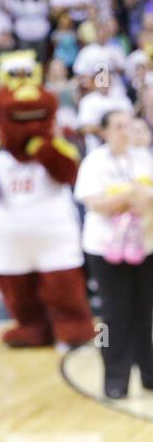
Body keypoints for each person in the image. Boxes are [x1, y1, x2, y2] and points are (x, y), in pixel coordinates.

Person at [74, 110, 153, 398]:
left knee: (145, 311)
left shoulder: (143, 158)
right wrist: (130, 196)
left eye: (128, 126)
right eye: (118, 126)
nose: (124, 131)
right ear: (105, 131)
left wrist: (132, 197)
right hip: (105, 248)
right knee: (115, 314)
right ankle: (115, 379)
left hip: (144, 246)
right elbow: (96, 203)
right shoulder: (95, 162)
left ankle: (149, 373)